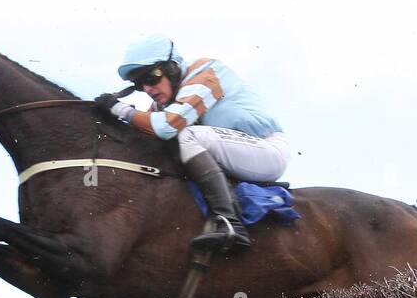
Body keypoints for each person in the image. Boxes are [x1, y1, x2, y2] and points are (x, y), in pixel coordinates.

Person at [95, 35, 290, 253]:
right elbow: (145, 137)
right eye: (140, 85)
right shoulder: (164, 106)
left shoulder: (206, 73)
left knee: (187, 135)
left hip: (266, 149)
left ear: (172, 68)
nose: (148, 89)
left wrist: (120, 109)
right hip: (235, 155)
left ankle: (229, 222)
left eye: (151, 78)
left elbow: (166, 127)